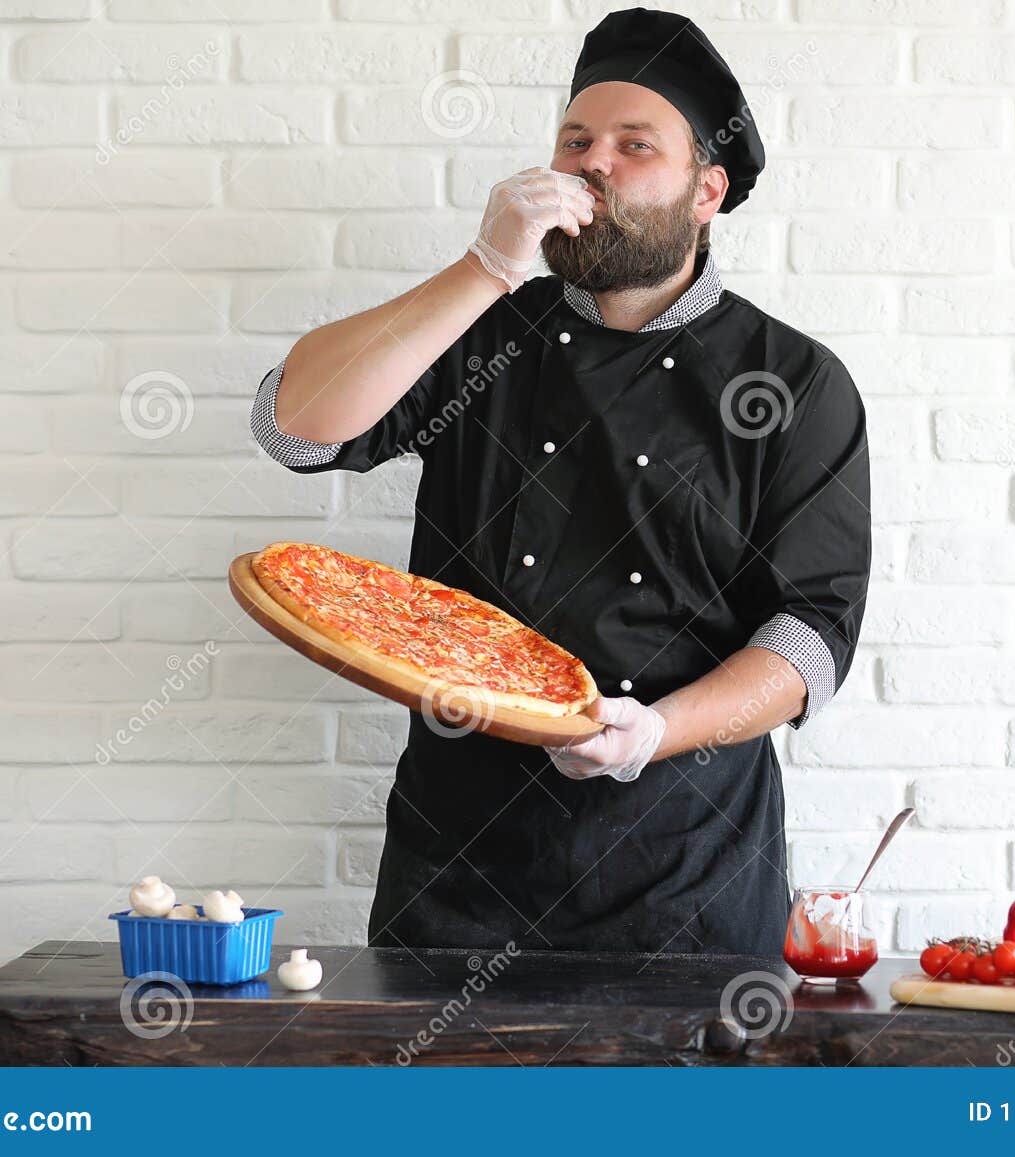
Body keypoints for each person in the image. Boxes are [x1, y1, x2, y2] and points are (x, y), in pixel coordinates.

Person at [251, 7, 871, 956]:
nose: (594, 163)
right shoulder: (488, 329)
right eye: (575, 140)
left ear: (705, 191)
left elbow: (811, 639)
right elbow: (292, 429)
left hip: (687, 864)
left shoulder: (789, 381)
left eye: (635, 145)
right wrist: (485, 267)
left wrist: (650, 732)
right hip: (464, 861)